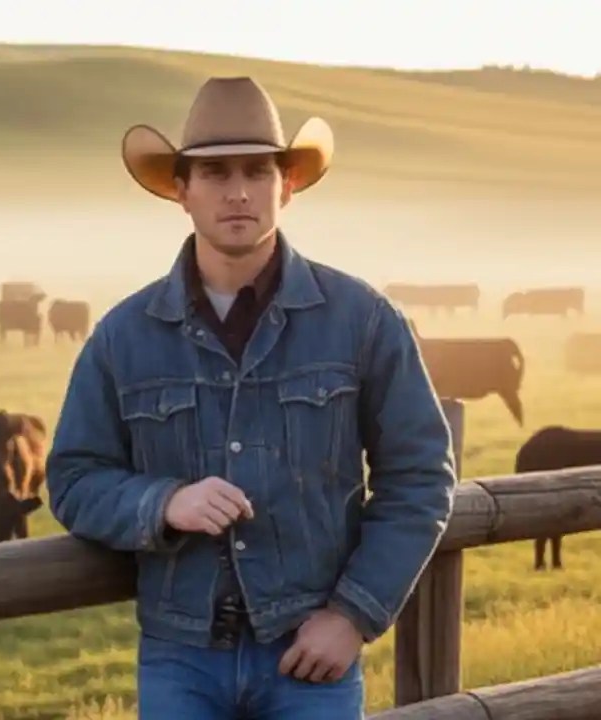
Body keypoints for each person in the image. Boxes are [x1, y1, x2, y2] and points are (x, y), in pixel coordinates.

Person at [45, 76, 457, 719]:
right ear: (180, 190)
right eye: (213, 172)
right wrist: (164, 502)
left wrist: (353, 615)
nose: (237, 191)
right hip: (180, 658)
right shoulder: (122, 338)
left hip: (312, 653)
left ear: (286, 185)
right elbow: (72, 478)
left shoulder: (363, 320)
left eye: (257, 170)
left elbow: (421, 476)